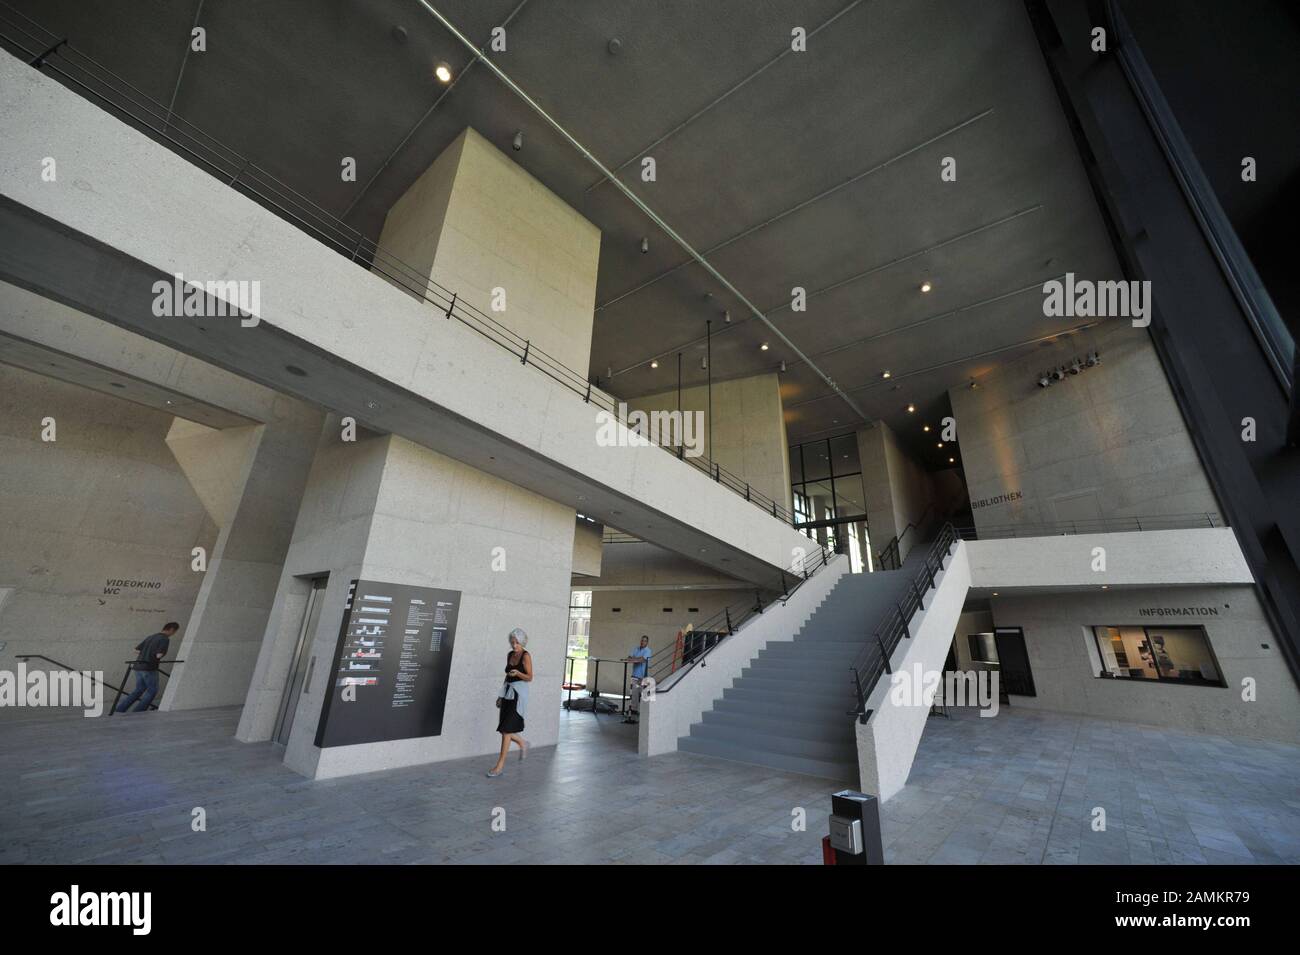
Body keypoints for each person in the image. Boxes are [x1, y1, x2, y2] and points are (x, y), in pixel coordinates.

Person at [487, 628, 532, 777]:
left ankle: (499, 766)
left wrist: (518, 673)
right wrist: (500, 696)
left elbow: (530, 677)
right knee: (504, 729)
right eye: (512, 642)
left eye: (517, 642)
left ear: (522, 642)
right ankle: (523, 743)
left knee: (506, 730)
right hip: (507, 693)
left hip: (518, 694)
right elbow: (507, 677)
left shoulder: (526, 656)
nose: (514, 645)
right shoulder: (509, 655)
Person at [115, 622, 178, 713]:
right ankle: (138, 711)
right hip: (149, 667)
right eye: (175, 631)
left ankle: (120, 709)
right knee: (152, 690)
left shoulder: (151, 637)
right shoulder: (164, 639)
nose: (173, 634)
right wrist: (158, 654)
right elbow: (158, 655)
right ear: (172, 629)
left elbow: (136, 650)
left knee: (138, 690)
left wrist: (145, 654)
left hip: (138, 667)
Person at [622, 635, 652, 724]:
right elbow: (629, 657)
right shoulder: (636, 649)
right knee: (634, 694)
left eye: (645, 641)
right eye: (642, 640)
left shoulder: (648, 650)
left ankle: (644, 711)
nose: (643, 642)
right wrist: (634, 659)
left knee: (642, 694)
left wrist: (634, 659)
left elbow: (642, 659)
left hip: (643, 676)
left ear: (647, 642)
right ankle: (634, 710)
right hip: (634, 675)